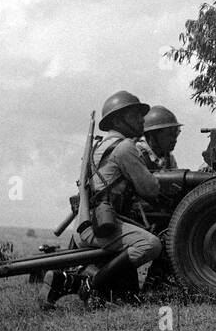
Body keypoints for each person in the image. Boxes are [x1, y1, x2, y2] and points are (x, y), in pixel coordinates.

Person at [56, 91, 164, 303]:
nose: (143, 120)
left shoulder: (98, 146)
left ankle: (66, 281)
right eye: (135, 115)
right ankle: (88, 284)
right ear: (118, 119)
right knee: (152, 244)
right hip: (102, 227)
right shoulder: (124, 148)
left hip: (89, 224)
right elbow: (151, 189)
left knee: (126, 296)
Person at [138, 106, 181, 171]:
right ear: (152, 135)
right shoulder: (137, 154)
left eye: (176, 134)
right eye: (170, 134)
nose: (174, 140)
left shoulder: (168, 158)